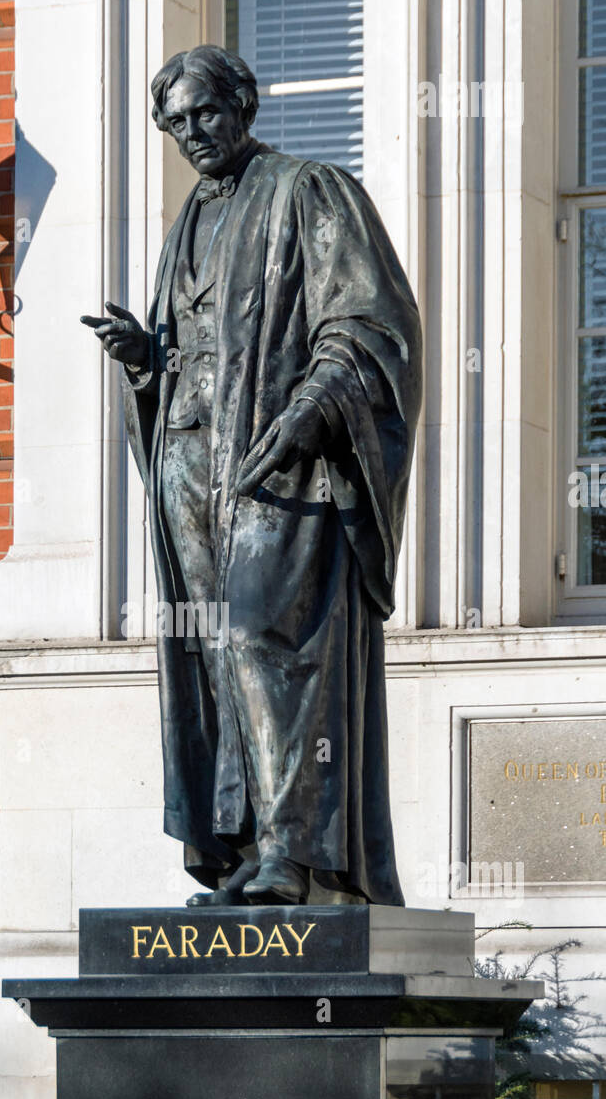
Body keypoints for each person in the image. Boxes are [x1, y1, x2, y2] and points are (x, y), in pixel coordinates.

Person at [81, 45, 421, 907]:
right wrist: (144, 362)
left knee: (267, 635)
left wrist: (314, 407)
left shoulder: (311, 191)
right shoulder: (186, 224)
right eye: (175, 123)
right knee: (210, 647)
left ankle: (294, 851)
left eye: (204, 112)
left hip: (283, 461)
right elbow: (185, 351)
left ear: (243, 104)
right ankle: (242, 847)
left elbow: (370, 324)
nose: (192, 133)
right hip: (188, 464)